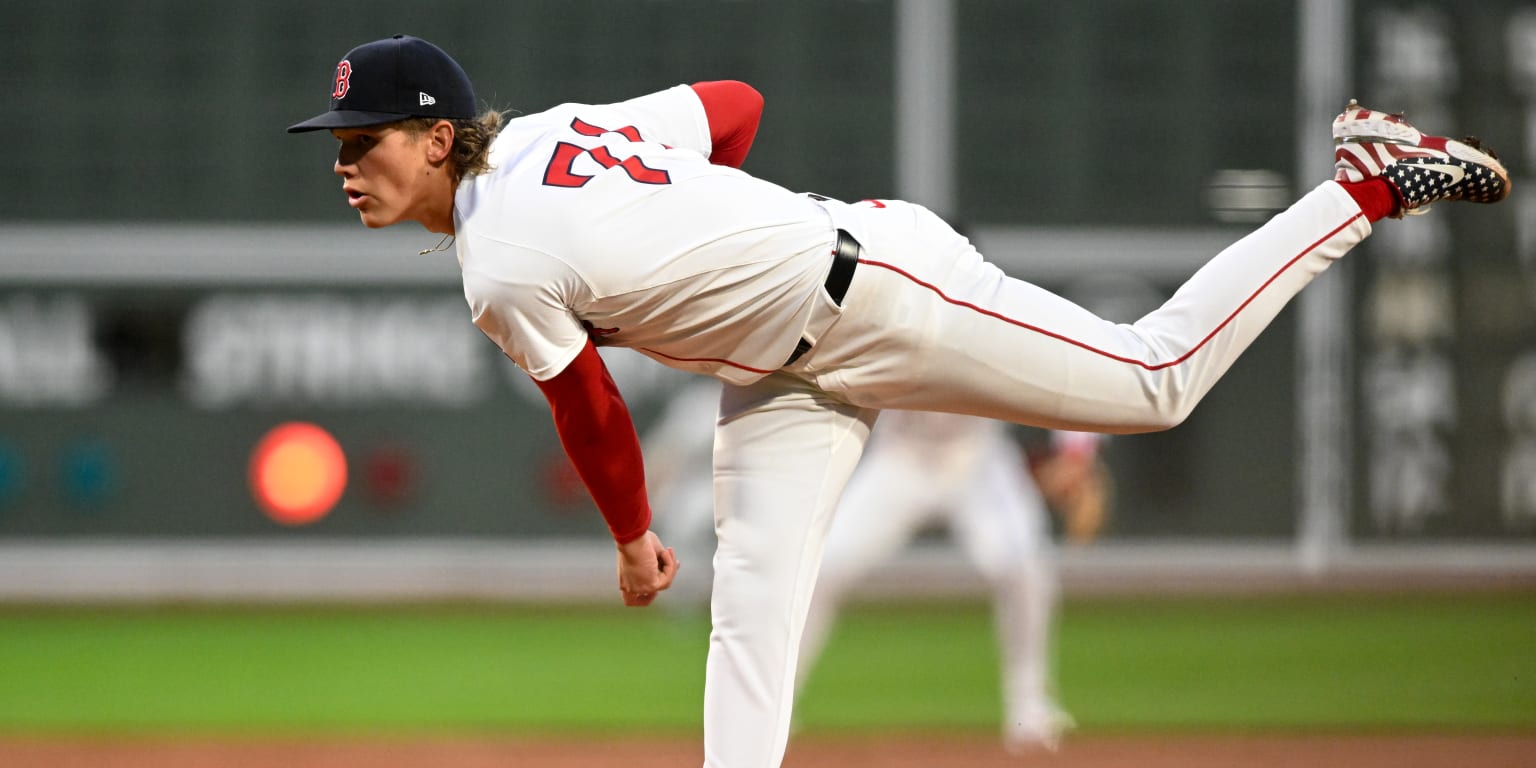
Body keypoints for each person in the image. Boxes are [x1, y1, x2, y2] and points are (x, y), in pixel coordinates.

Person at [288, 35, 1511, 768]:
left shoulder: (497, 264)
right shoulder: (562, 134)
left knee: (1153, 380)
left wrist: (630, 540)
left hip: (880, 290)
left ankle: (1361, 189)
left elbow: (589, 409)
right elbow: (730, 106)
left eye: (367, 139)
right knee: (753, 618)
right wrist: (686, 223)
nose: (347, 162)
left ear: (439, 137)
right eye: (340, 143)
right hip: (780, 370)